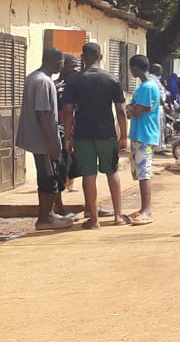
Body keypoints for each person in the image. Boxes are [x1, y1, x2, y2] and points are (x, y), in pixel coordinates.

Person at [62, 42, 128, 229]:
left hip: (83, 134)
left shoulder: (74, 80)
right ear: (101, 56)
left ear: (83, 57)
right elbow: (121, 111)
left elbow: (67, 111)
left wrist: (67, 137)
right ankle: (117, 216)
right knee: (112, 171)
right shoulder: (111, 80)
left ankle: (95, 220)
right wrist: (124, 135)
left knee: (88, 175)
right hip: (107, 133)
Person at [18, 48, 72, 230]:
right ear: (57, 61)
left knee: (49, 177)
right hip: (43, 141)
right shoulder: (42, 82)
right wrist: (52, 144)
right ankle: (44, 218)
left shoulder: (35, 77)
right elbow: (42, 114)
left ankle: (49, 214)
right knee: (49, 179)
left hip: (39, 139)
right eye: (62, 61)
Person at [125, 55, 163, 225]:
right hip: (139, 134)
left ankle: (146, 210)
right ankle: (143, 209)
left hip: (144, 134)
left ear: (135, 67)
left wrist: (130, 108)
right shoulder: (144, 86)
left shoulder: (147, 87)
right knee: (140, 173)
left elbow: (138, 110)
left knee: (144, 172)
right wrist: (131, 109)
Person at [56, 53, 81, 195]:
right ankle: (63, 183)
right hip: (59, 125)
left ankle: (71, 183)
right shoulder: (55, 85)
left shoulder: (77, 86)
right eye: (71, 66)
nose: (75, 69)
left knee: (74, 157)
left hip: (75, 125)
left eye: (76, 66)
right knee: (63, 157)